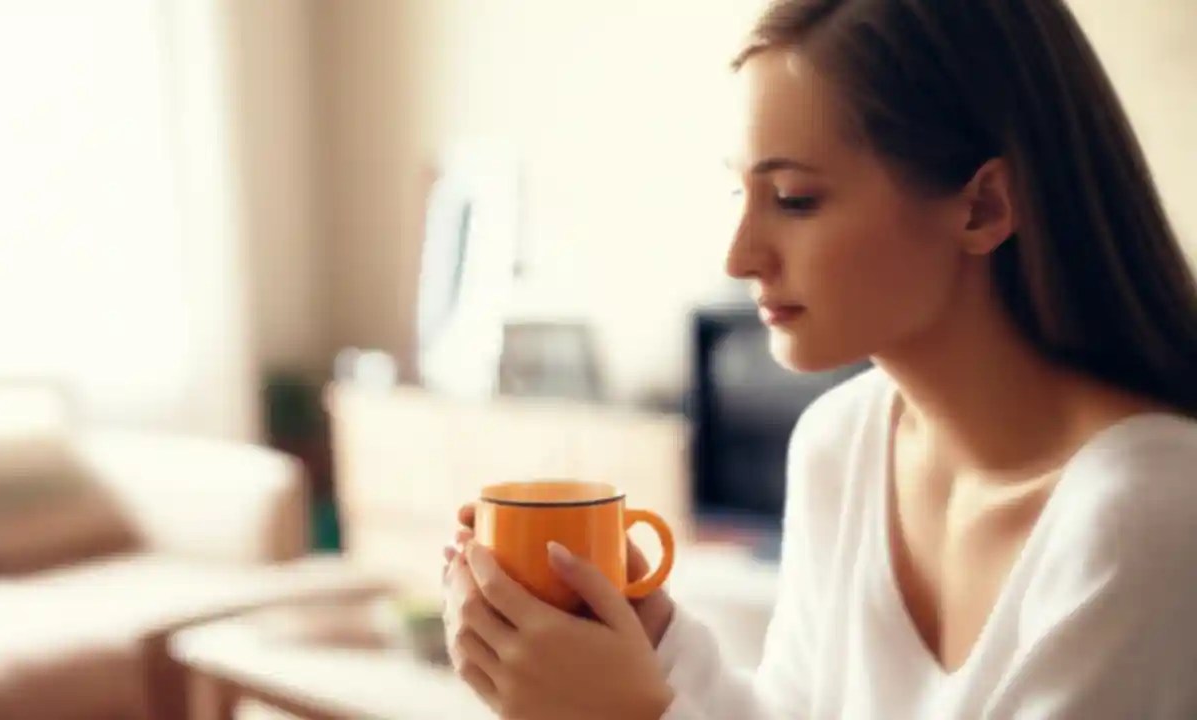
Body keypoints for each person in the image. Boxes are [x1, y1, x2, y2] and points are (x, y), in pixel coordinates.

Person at [440, 0, 1197, 717]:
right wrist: (649, 642)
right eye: (739, 193)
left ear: (983, 206)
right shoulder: (840, 444)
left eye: (795, 198)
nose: (738, 258)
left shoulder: (1144, 516)